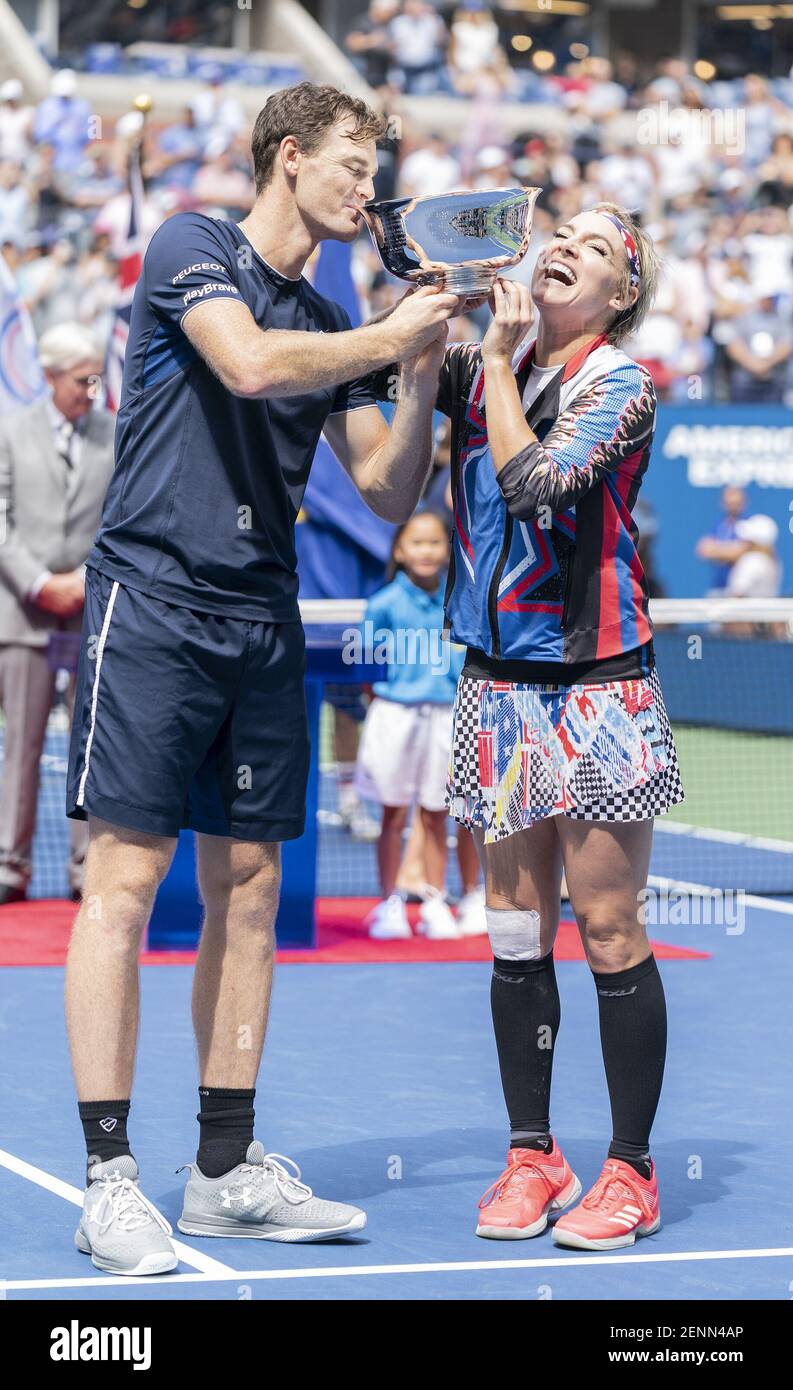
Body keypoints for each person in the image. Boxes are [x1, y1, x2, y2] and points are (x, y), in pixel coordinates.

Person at [63, 81, 461, 1276]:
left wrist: (426, 359)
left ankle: (223, 1168)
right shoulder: (196, 242)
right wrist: (386, 338)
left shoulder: (328, 303)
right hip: (153, 602)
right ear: (289, 158)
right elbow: (243, 366)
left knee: (249, 891)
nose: (366, 183)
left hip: (259, 614)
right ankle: (111, 1178)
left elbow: (388, 490)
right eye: (352, 161)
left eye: (374, 162)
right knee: (123, 882)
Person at [415, 204, 684, 1248]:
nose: (565, 244)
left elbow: (532, 486)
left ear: (620, 293)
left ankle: (631, 1169)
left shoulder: (620, 384)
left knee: (608, 927)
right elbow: (389, 375)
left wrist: (489, 354)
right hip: (495, 685)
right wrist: (436, 273)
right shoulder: (497, 363)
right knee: (515, 930)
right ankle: (533, 1152)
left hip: (599, 689)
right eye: (559, 231)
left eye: (598, 247)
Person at [0, 323, 113, 905]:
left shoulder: (115, 436)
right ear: (48, 377)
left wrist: (81, 581)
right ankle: (10, 868)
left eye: (97, 378)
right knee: (20, 743)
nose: (92, 389)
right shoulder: (10, 433)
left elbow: (123, 518)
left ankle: (86, 866)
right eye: (81, 379)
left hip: (93, 613)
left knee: (91, 744)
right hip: (25, 616)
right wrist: (41, 583)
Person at [355, 510, 479, 940]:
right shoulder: (383, 604)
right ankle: (390, 903)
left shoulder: (460, 600)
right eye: (417, 542)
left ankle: (434, 901)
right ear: (400, 551)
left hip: (447, 716)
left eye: (434, 542)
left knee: (435, 814)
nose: (426, 551)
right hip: (395, 716)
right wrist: (390, 701)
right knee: (392, 813)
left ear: (448, 550)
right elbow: (367, 669)